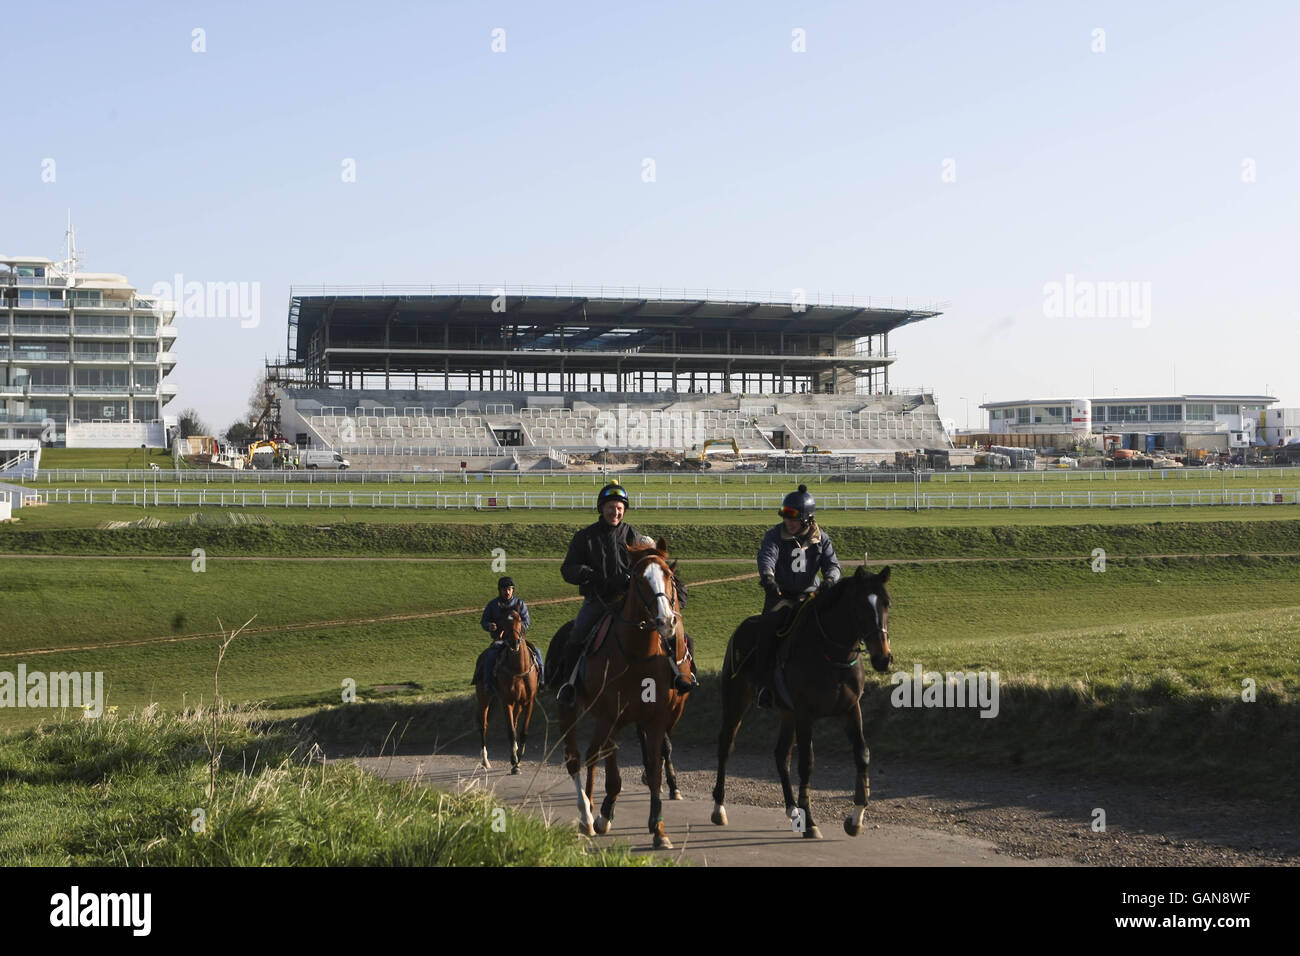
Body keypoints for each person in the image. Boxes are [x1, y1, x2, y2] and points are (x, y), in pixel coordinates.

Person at [556, 481, 697, 705]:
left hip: (632, 600)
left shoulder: (634, 536)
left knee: (673, 631)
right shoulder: (585, 537)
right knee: (578, 633)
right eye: (611, 507)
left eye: (620, 508)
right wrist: (597, 578)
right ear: (602, 508)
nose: (615, 512)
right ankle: (569, 685)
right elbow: (568, 569)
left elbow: (654, 566)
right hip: (599, 600)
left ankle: (680, 676)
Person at [753, 484, 842, 708]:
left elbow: (833, 565)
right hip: (781, 596)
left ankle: (840, 675)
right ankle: (764, 686)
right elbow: (767, 557)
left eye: (794, 519)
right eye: (786, 518)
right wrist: (768, 578)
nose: (789, 523)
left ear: (807, 519)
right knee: (767, 630)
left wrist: (830, 580)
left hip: (811, 598)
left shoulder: (822, 539)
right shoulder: (774, 536)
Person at [471, 577, 542, 690]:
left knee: (537, 651)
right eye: (504, 589)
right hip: (501, 640)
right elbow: (484, 621)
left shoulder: (520, 604)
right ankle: (488, 684)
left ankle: (542, 681)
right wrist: (490, 626)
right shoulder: (492, 605)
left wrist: (517, 630)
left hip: (518, 639)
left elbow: (526, 622)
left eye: (509, 589)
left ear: (513, 590)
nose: (507, 592)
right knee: (490, 656)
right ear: (499, 590)